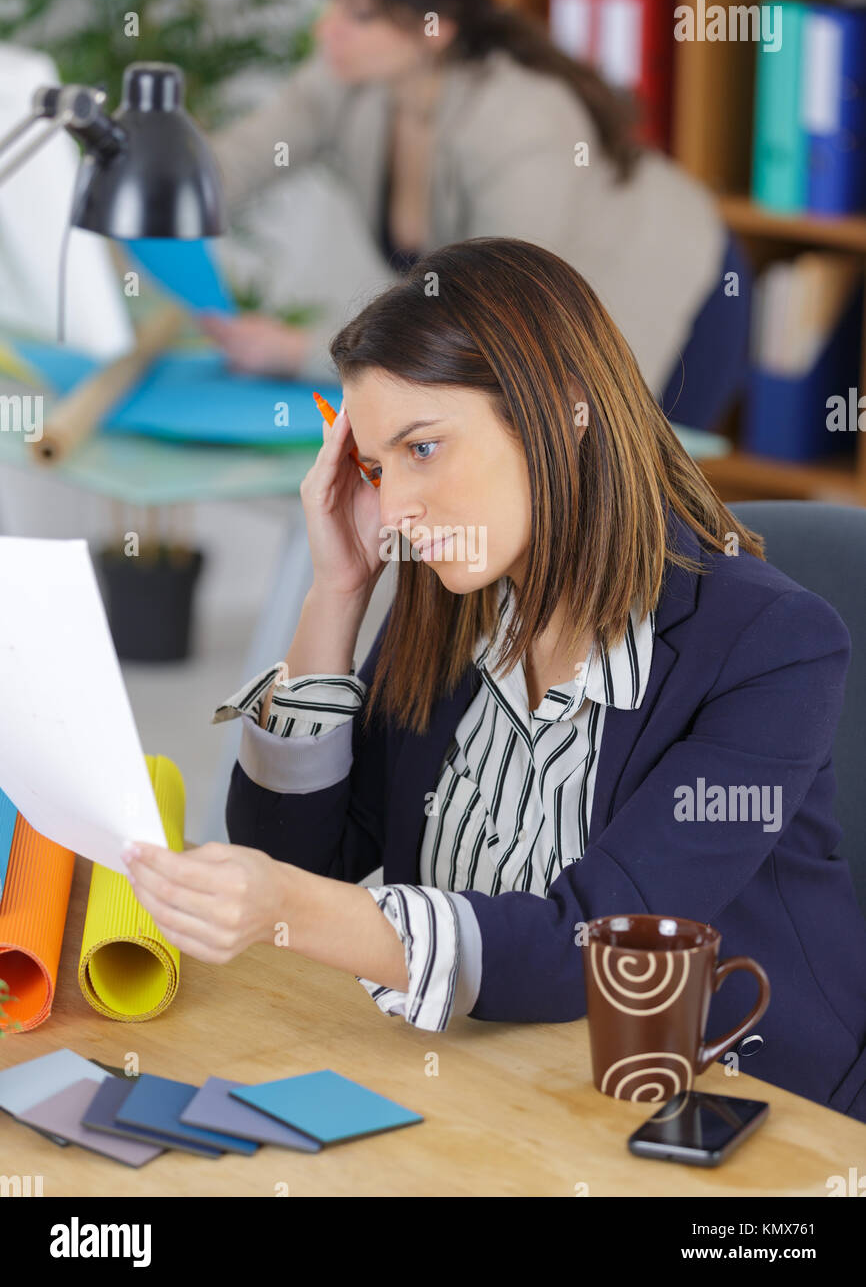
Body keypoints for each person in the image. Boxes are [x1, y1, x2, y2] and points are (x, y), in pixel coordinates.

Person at [123, 236, 866, 1124]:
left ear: (563, 408)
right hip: (499, 1082)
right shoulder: (455, 603)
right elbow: (300, 854)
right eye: (373, 465)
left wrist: (286, 903)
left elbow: (591, 947)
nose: (395, 507)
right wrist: (339, 589)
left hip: (730, 1112)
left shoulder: (772, 648)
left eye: (424, 449)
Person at [202, 0, 749, 432]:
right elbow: (237, 162)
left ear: (434, 28)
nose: (327, 29)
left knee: (626, 504)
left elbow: (494, 325)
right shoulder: (349, 79)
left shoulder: (519, 125)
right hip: (520, 320)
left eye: (359, 13)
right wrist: (143, 186)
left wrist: (301, 351)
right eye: (334, 3)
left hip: (660, 287)